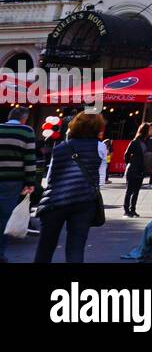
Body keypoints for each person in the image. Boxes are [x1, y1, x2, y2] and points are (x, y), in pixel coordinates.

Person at [34, 111, 103, 264]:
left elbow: (51, 175)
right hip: (85, 201)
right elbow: (101, 177)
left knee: (45, 247)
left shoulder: (61, 147)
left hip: (55, 201)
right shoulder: (100, 147)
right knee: (76, 248)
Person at [0, 106, 37, 262]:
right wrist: (30, 182)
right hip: (12, 181)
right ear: (24, 118)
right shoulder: (27, 131)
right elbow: (29, 159)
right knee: (4, 217)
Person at [122, 123, 152, 218]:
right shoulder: (135, 142)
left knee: (136, 191)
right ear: (145, 130)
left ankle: (133, 209)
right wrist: (130, 163)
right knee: (130, 190)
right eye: (150, 129)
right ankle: (126, 210)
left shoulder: (147, 142)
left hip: (141, 169)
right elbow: (126, 154)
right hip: (133, 169)